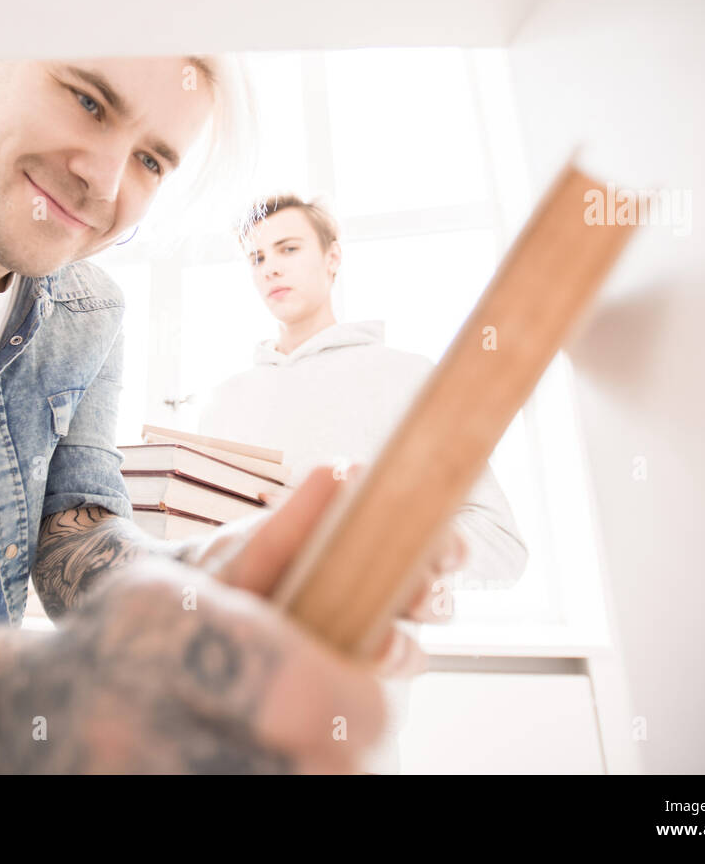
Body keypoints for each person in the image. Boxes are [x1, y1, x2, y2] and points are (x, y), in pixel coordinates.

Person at [0, 57, 433, 773]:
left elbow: (75, 530)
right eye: (88, 101)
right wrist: (7, 700)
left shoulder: (90, 312)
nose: (105, 183)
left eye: (150, 159)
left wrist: (192, 576)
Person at [196, 193, 529, 772]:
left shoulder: (406, 376)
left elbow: (497, 541)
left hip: (349, 720)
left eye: (288, 248)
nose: (269, 266)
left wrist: (369, 548)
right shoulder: (226, 399)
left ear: (332, 258)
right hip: (224, 708)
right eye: (255, 258)